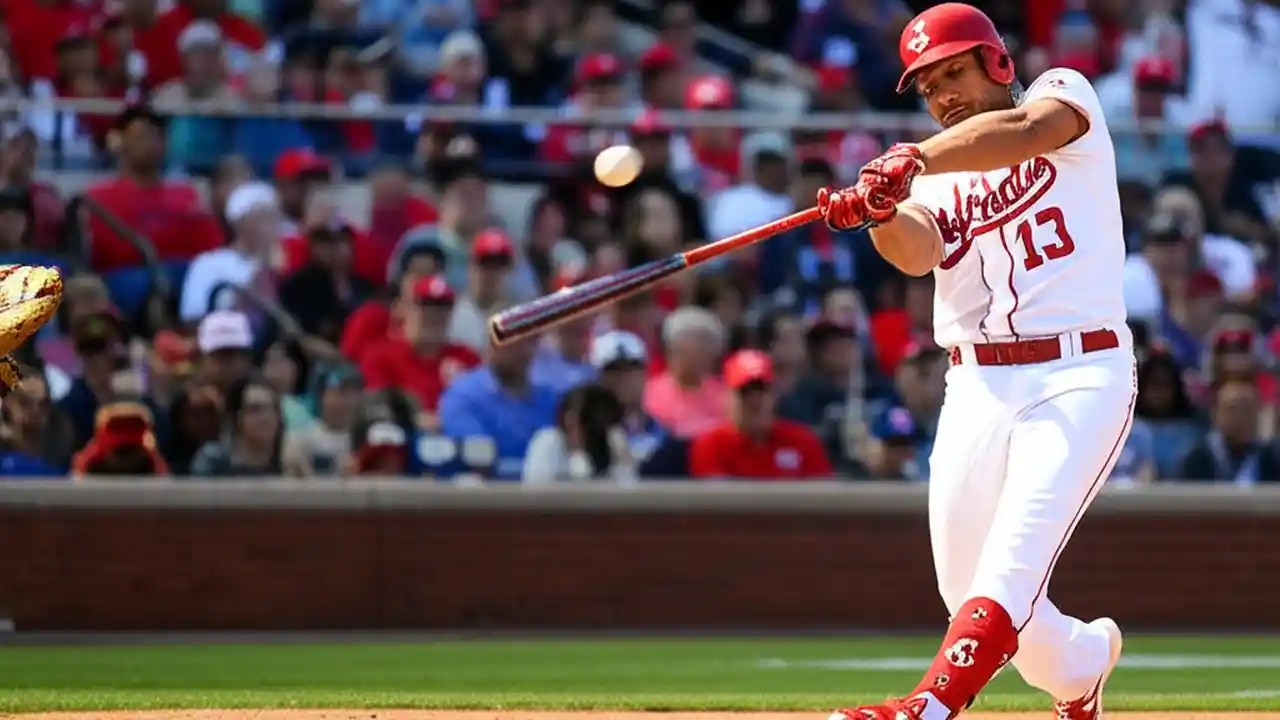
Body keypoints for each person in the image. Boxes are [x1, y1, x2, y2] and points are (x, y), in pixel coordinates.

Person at [819, 5, 1136, 719]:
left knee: (1011, 566)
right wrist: (876, 212)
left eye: (954, 72)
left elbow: (1025, 132)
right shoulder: (931, 177)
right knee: (969, 592)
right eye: (928, 87)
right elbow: (919, 251)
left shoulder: (1064, 92)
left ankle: (931, 705)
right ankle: (1083, 665)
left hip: (1080, 371)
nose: (943, 96)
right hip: (979, 380)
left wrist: (912, 158)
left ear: (997, 64)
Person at [688, 350, 831, 480]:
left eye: (762, 392)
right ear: (728, 397)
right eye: (745, 392)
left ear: (774, 396)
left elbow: (823, 499)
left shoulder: (803, 442)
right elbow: (717, 502)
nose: (755, 401)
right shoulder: (711, 444)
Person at [521, 384, 636, 484]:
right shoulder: (547, 441)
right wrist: (576, 453)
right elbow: (535, 496)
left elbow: (628, 494)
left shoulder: (611, 440)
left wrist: (622, 457)